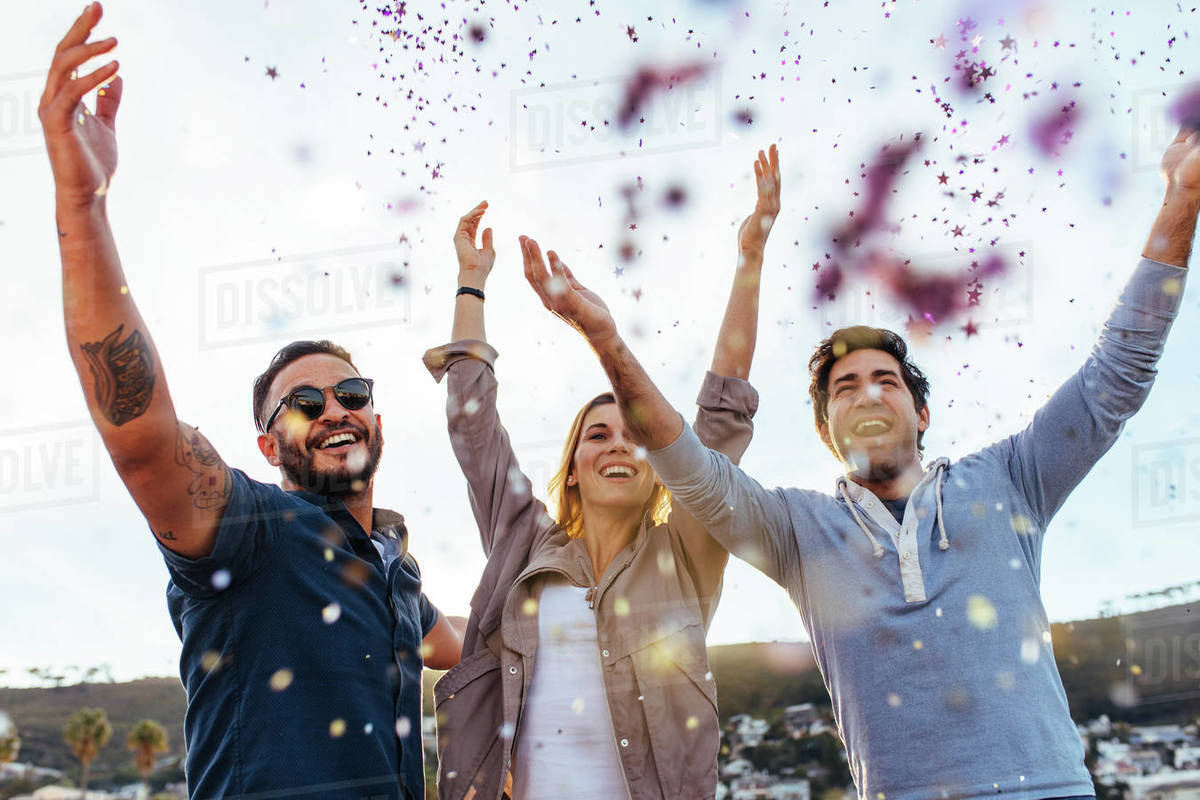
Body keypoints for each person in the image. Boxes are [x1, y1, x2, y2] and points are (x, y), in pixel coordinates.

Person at [520, 127, 1200, 800]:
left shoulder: (1011, 480)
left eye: (887, 380)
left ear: (921, 413)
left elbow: (1117, 376)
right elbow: (688, 462)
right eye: (844, 388)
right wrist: (607, 340)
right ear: (825, 431)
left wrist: (1181, 198)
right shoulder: (796, 530)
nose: (868, 393)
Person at [39, 6, 460, 798]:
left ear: (377, 417)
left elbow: (459, 641)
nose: (333, 407)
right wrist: (83, 205)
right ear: (268, 445)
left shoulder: (397, 574)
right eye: (301, 402)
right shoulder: (249, 531)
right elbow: (140, 432)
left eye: (351, 392)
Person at [423, 146, 781, 800]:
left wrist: (750, 258)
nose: (619, 447)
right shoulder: (523, 545)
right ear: (575, 467)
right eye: (598, 435)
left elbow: (724, 410)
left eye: (636, 436)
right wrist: (472, 283)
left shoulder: (687, 550)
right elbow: (473, 428)